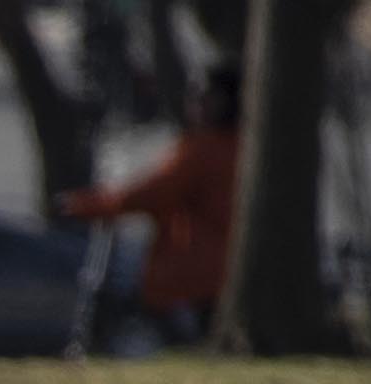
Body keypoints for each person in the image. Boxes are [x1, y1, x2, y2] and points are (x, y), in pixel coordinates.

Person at [58, 71, 243, 348]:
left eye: (204, 96)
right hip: (221, 275)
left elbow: (150, 195)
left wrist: (86, 205)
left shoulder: (204, 151)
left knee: (166, 338)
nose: (196, 104)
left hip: (195, 276)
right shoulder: (244, 150)